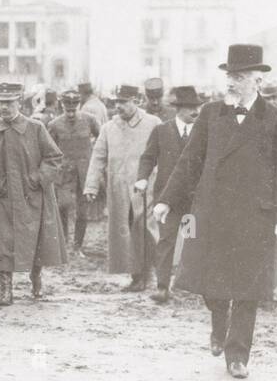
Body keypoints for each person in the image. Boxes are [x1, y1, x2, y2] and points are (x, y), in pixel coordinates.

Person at [153, 44, 277, 379]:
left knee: (248, 289)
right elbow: (190, 161)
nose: (231, 82)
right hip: (213, 213)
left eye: (240, 76)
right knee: (211, 284)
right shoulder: (210, 114)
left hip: (256, 216)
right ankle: (219, 324)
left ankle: (238, 355)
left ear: (257, 81)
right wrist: (166, 199)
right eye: (230, 76)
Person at [0, 79, 66, 304]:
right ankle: (6, 290)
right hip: (4, 198)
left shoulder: (36, 128)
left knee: (37, 241)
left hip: (33, 197)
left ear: (19, 104)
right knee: (2, 243)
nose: (4, 107)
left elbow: (53, 157)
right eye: (0, 103)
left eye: (9, 102)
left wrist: (38, 179)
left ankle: (36, 281)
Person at [84, 85, 161, 290]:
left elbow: (166, 154)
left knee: (147, 232)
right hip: (118, 190)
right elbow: (98, 157)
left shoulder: (153, 123)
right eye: (116, 102)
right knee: (126, 234)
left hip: (147, 189)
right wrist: (91, 186)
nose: (119, 106)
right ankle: (137, 277)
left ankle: (153, 274)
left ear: (136, 101)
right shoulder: (109, 128)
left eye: (124, 102)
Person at [135, 85, 200, 303]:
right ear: (179, 109)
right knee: (166, 240)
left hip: (192, 201)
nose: (196, 111)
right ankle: (162, 286)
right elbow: (148, 157)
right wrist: (142, 178)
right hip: (167, 201)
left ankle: (188, 284)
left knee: (190, 239)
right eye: (191, 108)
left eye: (197, 107)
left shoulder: (202, 133)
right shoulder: (162, 131)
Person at [47, 91, 99, 254]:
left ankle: (78, 246)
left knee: (82, 211)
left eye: (73, 109)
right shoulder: (55, 124)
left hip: (85, 172)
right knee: (62, 206)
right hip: (64, 173)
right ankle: (63, 243)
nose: (70, 113)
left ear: (78, 106)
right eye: (67, 109)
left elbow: (101, 138)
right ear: (62, 106)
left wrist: (93, 154)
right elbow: (49, 147)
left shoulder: (90, 120)